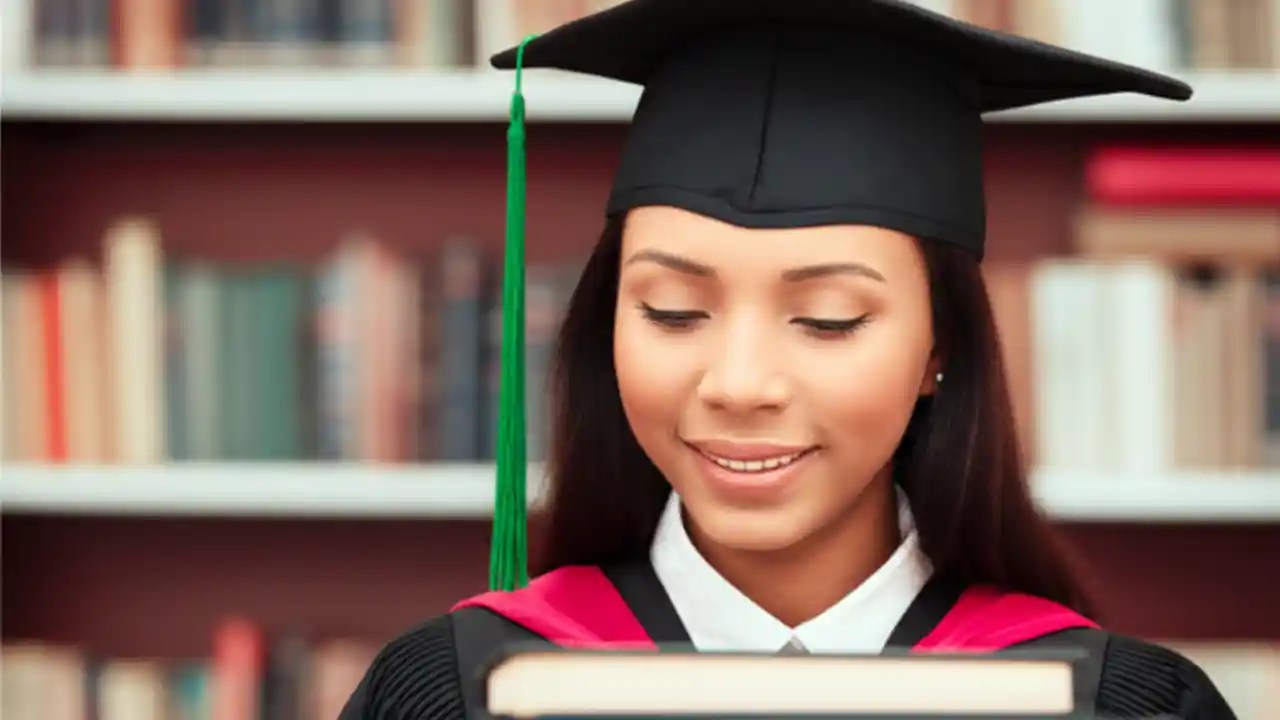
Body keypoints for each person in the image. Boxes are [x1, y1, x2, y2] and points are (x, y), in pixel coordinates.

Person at [340, 1, 1237, 718]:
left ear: (941, 348)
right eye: (672, 310)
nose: (738, 384)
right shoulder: (462, 692)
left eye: (827, 319)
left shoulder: (1111, 705)